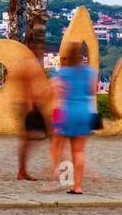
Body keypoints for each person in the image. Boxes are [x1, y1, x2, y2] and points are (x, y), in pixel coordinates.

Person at [48, 42, 97, 194]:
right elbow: (92, 91)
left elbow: (57, 90)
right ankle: (78, 186)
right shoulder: (91, 72)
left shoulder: (64, 72)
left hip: (67, 111)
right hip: (84, 112)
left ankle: (55, 177)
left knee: (59, 146)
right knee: (79, 151)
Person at [10, 39, 52, 180]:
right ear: (33, 48)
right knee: (29, 140)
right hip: (29, 106)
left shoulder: (30, 63)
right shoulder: (28, 65)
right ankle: (22, 171)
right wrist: (30, 107)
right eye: (39, 47)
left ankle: (22, 171)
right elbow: (27, 87)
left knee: (32, 139)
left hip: (31, 105)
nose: (41, 50)